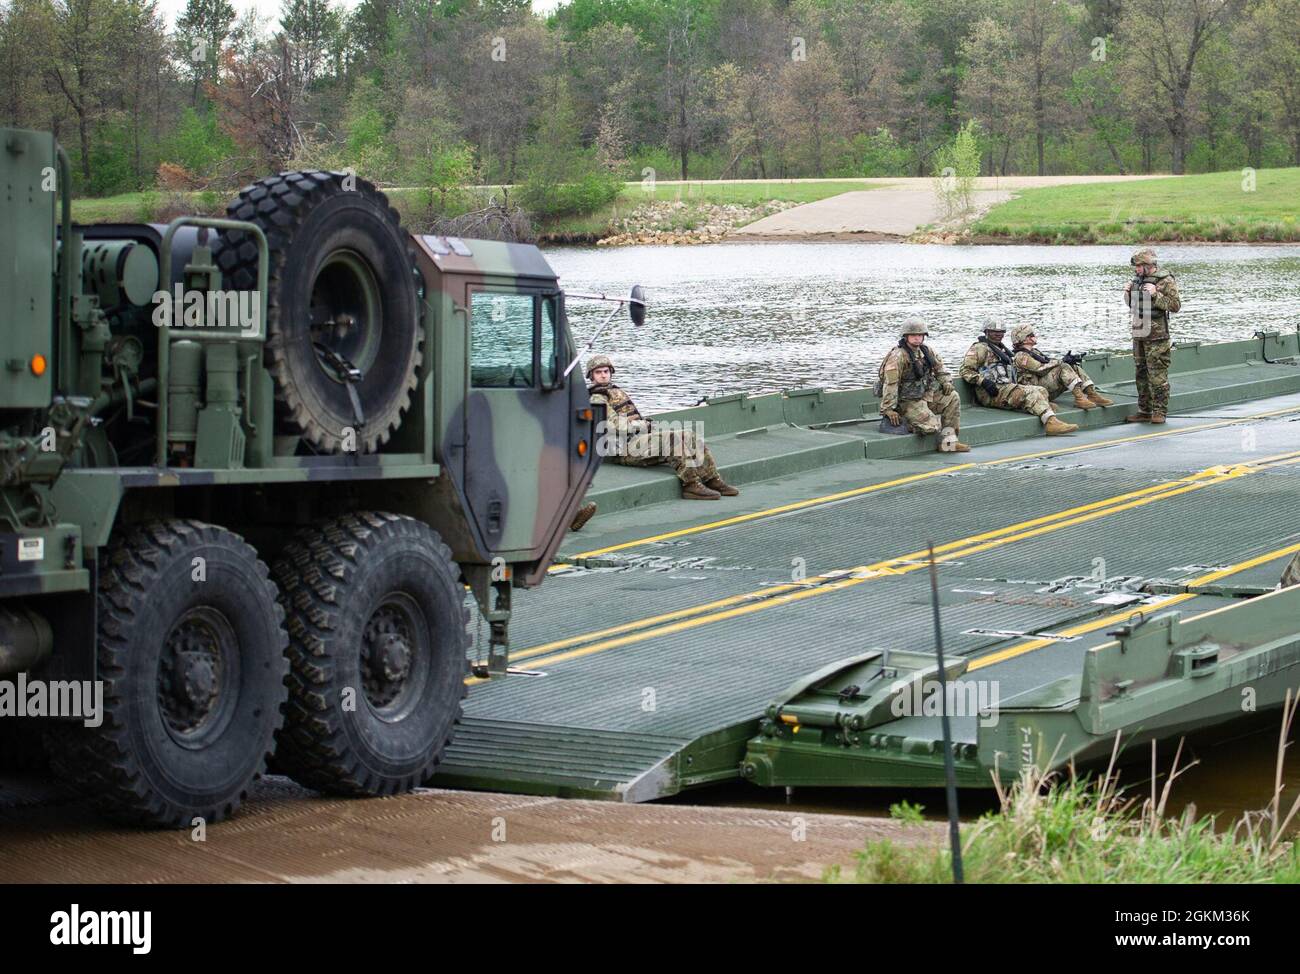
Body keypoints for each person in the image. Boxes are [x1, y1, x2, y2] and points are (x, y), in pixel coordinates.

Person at [585, 354, 739, 501]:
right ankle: (691, 485)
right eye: (598, 372)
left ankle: (711, 478)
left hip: (637, 441)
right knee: (673, 439)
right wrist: (643, 424)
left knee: (689, 435)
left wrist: (642, 425)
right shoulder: (597, 398)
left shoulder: (614, 391)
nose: (603, 375)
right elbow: (618, 426)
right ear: (592, 377)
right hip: (623, 450)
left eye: (606, 371)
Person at [959, 321, 1078, 435]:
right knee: (1030, 392)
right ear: (986, 332)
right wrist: (983, 382)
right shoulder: (979, 348)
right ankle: (1051, 423)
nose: (998, 335)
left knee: (1040, 390)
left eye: (1001, 332)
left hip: (1005, 387)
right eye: (994, 332)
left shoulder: (1002, 350)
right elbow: (965, 370)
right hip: (990, 392)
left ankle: (1045, 412)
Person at [877, 319, 970, 452]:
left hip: (924, 396)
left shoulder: (927, 352)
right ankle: (907, 421)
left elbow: (940, 369)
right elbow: (890, 384)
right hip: (906, 401)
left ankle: (949, 443)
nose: (917, 338)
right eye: (913, 335)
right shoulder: (898, 356)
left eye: (920, 335)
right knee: (932, 425)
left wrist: (946, 382)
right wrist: (888, 409)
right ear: (906, 336)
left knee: (952, 397)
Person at [1123, 248, 1180, 425]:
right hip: (1139, 332)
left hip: (1157, 336)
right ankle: (1144, 410)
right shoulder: (1137, 281)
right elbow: (1132, 305)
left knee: (1157, 375)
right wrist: (1127, 293)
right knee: (1141, 373)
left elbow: (1175, 305)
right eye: (1136, 266)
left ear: (1149, 265)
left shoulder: (1165, 280)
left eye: (1140, 266)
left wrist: (1156, 294)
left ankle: (1159, 412)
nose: (1137, 270)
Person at [1010, 324, 1114, 410]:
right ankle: (1079, 398)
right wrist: (1061, 361)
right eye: (1031, 335)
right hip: (1036, 391)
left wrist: (1068, 360)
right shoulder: (1021, 356)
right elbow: (1040, 369)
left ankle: (1092, 394)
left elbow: (1048, 362)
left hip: (1044, 386)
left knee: (1073, 366)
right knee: (1063, 367)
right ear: (1024, 338)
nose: (1034, 336)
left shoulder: (1034, 352)